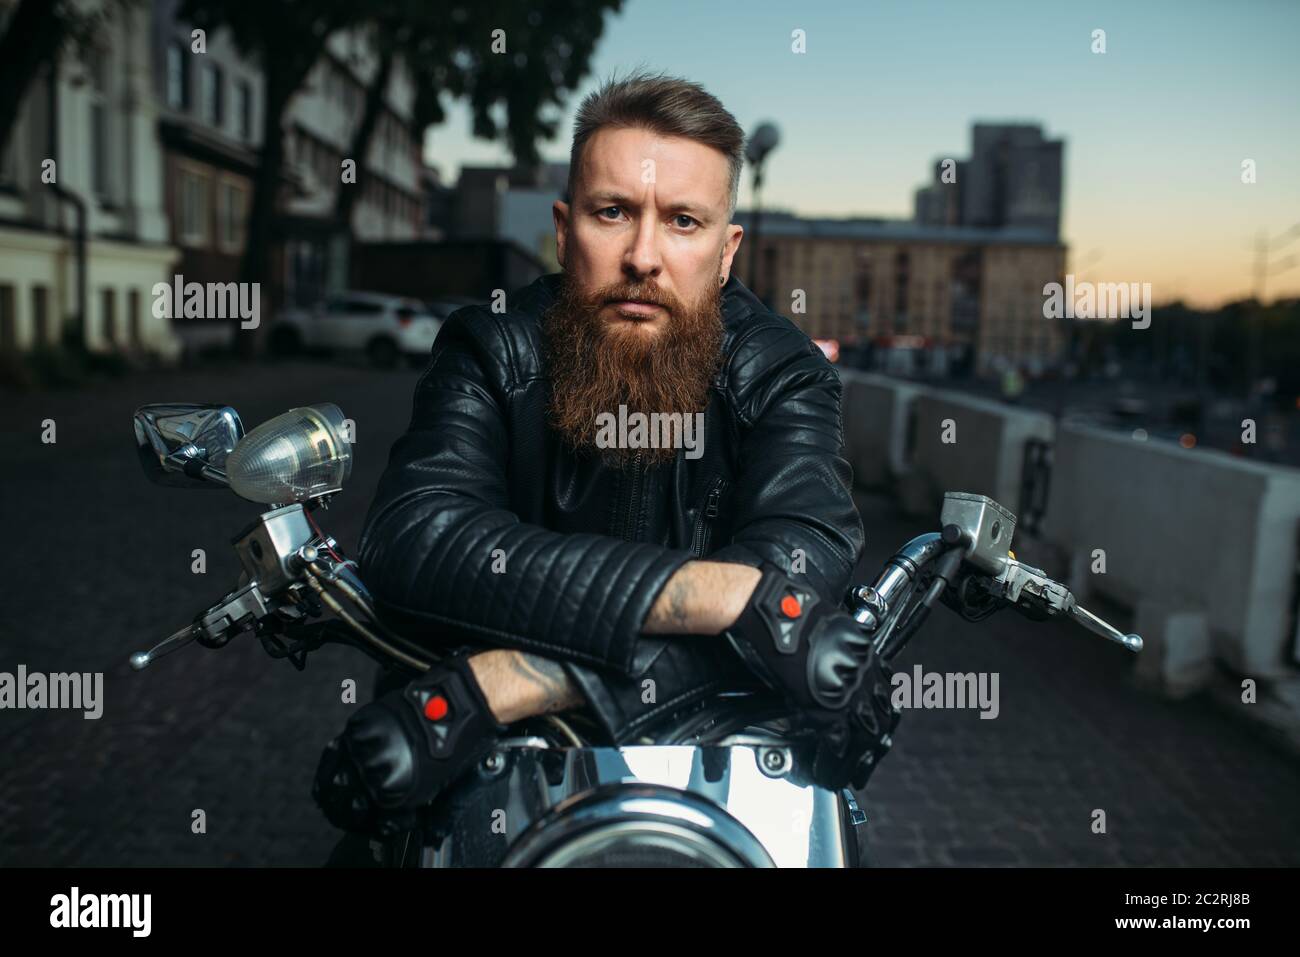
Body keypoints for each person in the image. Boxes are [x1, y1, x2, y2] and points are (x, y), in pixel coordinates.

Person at [313, 71, 897, 844]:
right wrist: (720, 597)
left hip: (708, 775)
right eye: (613, 212)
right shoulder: (492, 347)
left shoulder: (781, 374)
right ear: (564, 230)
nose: (643, 256)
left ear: (727, 255)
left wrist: (495, 687)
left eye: (683, 221)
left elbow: (800, 570)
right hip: (490, 784)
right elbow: (417, 535)